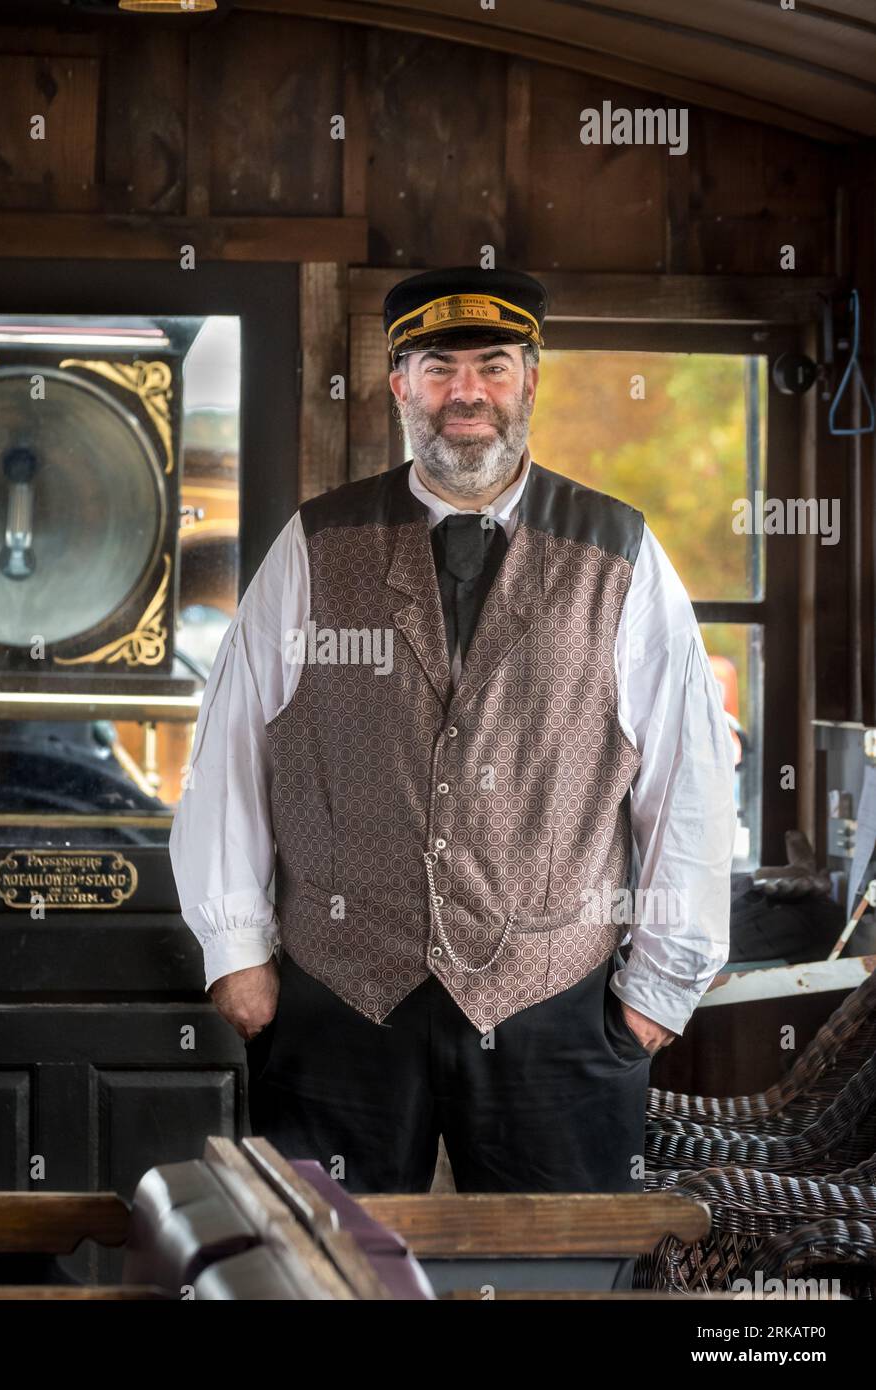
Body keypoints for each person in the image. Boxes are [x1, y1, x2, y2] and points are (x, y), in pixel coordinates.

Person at [170, 265, 736, 1203]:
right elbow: (229, 749)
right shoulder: (316, 544)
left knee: (557, 1284)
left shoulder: (620, 551)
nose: (465, 392)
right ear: (401, 387)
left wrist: (656, 994)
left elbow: (689, 783)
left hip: (556, 1003)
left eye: (493, 366)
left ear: (531, 380)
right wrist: (236, 951)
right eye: (438, 367)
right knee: (327, 1267)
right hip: (337, 998)